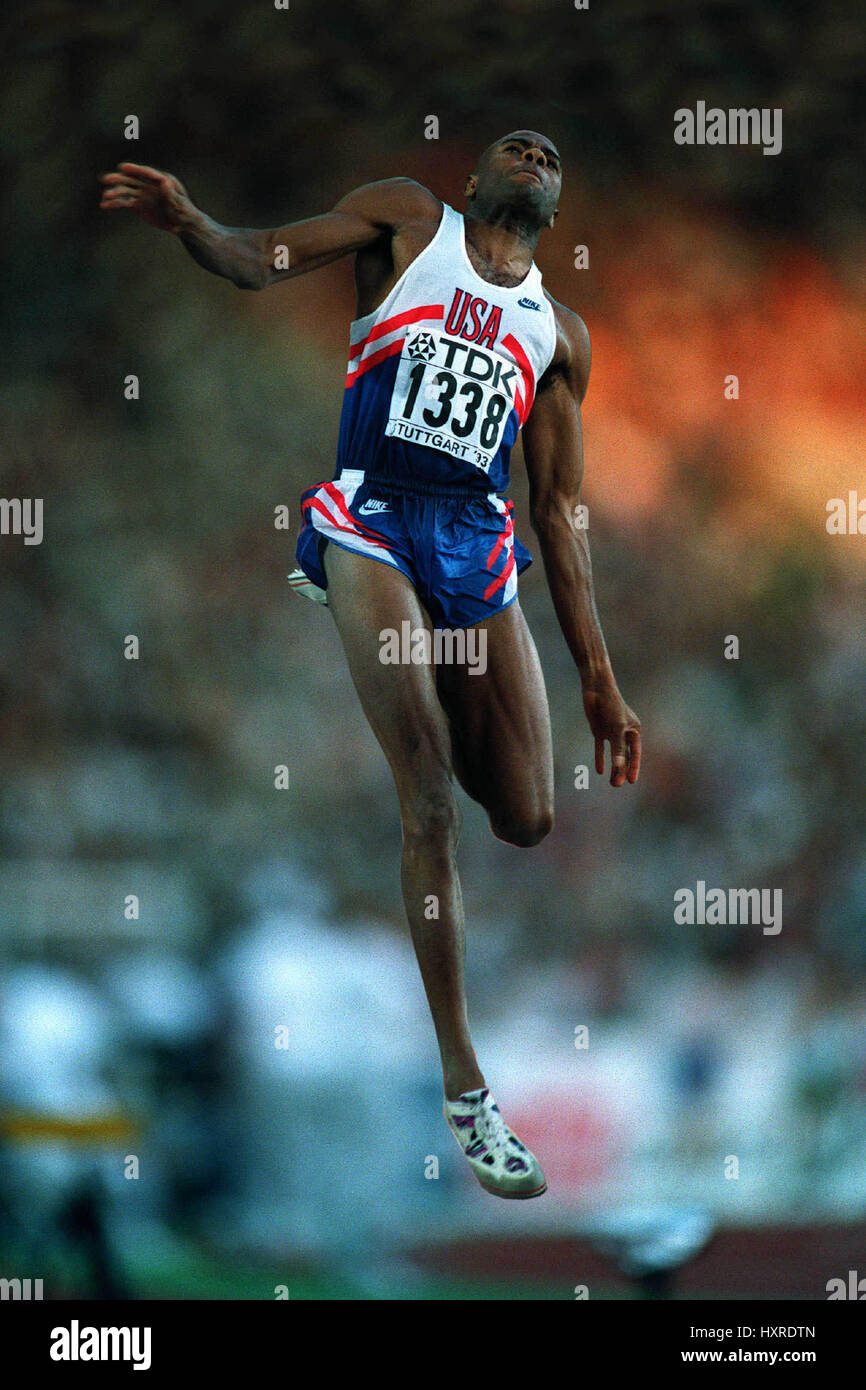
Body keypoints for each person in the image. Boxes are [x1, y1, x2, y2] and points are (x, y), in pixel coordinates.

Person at [100, 131, 641, 1199]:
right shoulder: (406, 220)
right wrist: (197, 226)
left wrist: (597, 674)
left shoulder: (560, 335)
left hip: (477, 547)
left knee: (527, 815)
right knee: (428, 796)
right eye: (511, 145)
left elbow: (561, 516)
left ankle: (440, 692)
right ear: (478, 180)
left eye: (550, 152)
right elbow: (264, 257)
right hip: (373, 519)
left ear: (556, 205)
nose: (532, 149)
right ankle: (467, 1090)